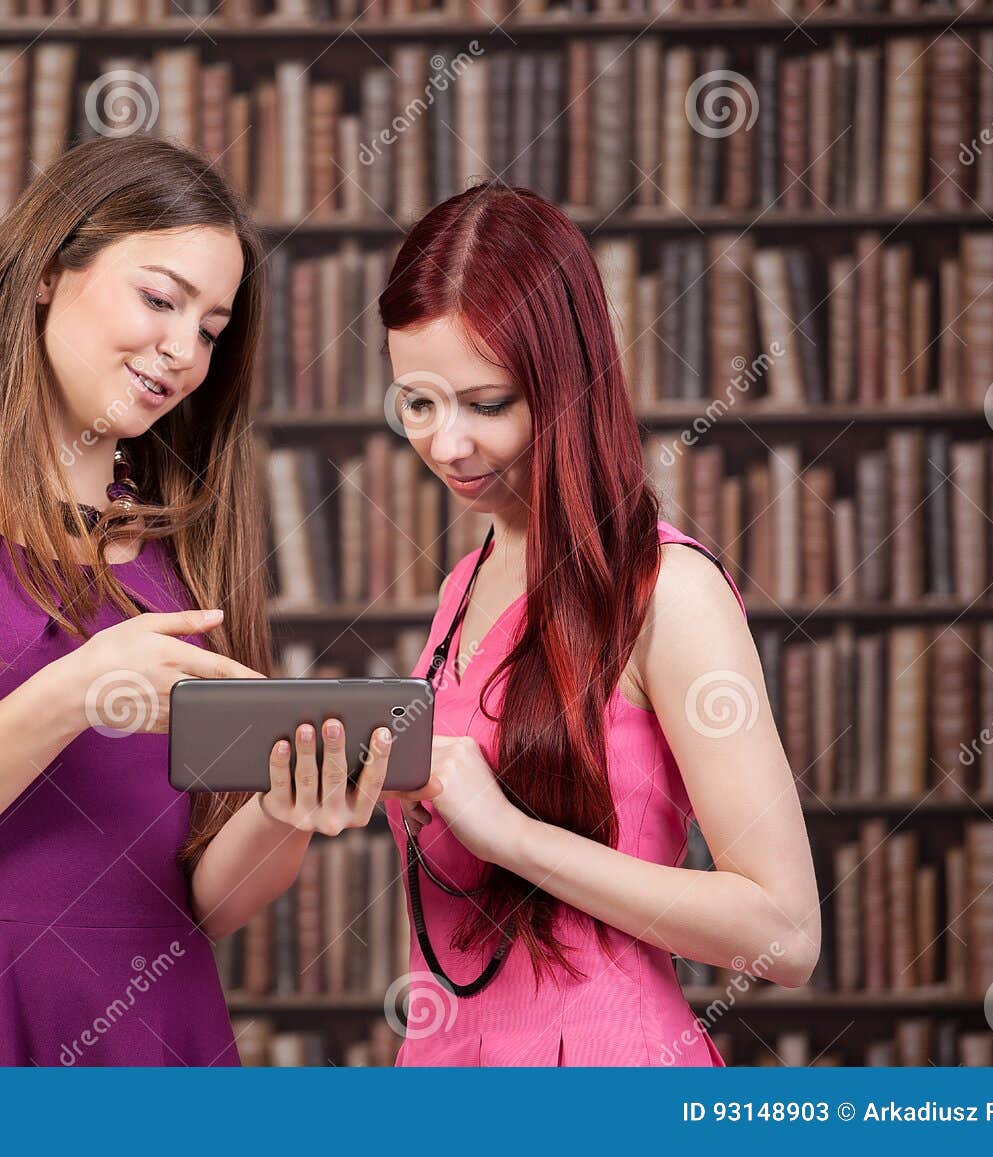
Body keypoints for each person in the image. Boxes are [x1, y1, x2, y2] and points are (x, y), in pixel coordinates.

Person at [0, 135, 418, 1066]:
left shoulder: (187, 549)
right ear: (45, 272)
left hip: (162, 1045)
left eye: (212, 327)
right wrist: (77, 691)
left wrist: (284, 811)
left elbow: (204, 905)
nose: (183, 350)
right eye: (159, 299)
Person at [369, 182, 821, 1065]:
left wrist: (510, 834)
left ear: (566, 381)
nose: (446, 445)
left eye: (486, 402)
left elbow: (787, 931)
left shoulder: (669, 589)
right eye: (417, 404)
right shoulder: (464, 584)